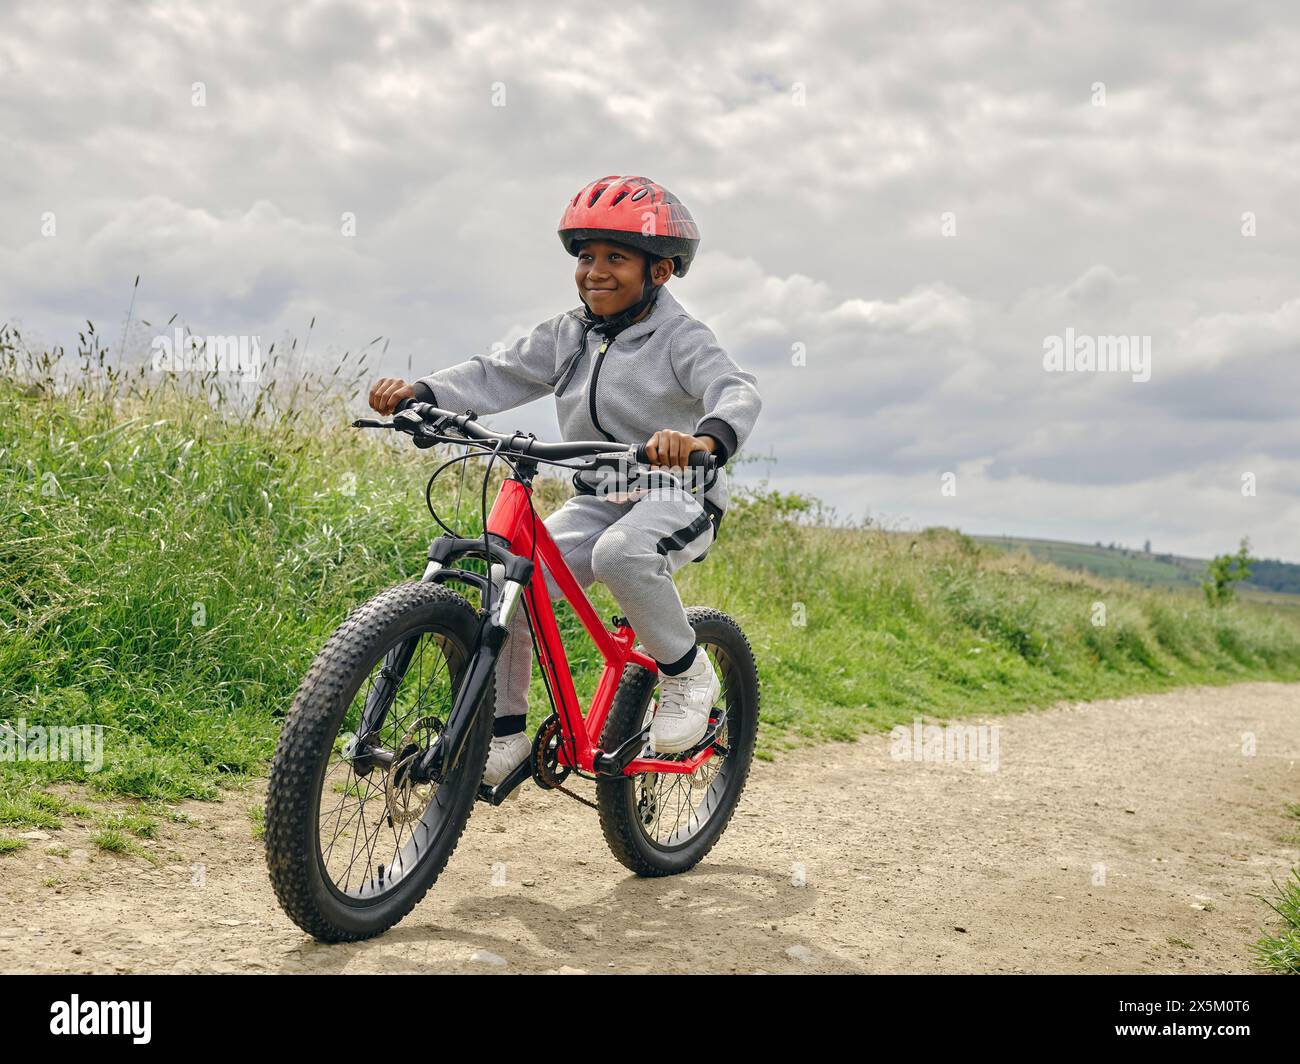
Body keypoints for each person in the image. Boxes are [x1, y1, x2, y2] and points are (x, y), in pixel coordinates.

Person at [368, 175, 762, 785]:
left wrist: (705, 440)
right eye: (585, 256)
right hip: (601, 494)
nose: (595, 271)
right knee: (510, 580)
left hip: (678, 493)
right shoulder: (567, 333)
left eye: (616, 258)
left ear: (660, 272)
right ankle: (505, 737)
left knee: (621, 555)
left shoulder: (681, 338)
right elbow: (498, 373)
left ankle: (687, 673)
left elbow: (734, 388)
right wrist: (424, 393)